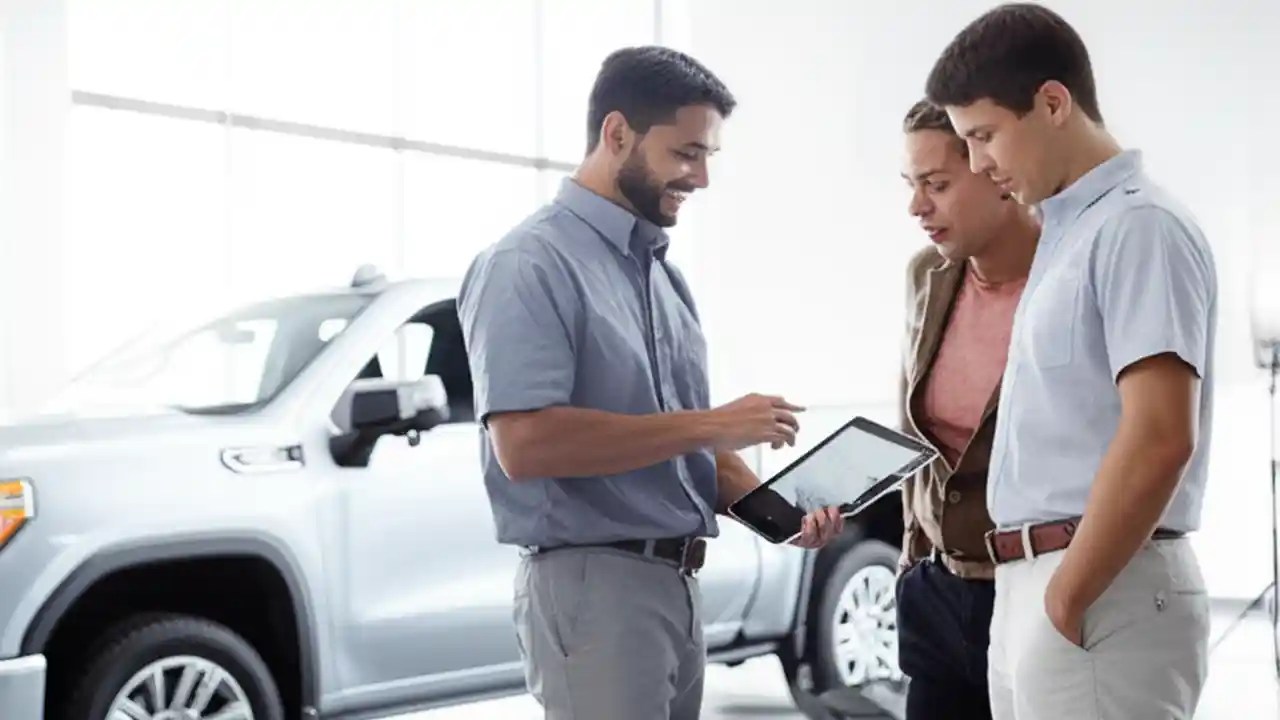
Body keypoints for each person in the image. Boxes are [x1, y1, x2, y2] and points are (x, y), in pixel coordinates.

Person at [457, 46, 844, 720]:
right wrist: (715, 423)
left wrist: (782, 518)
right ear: (617, 134)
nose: (701, 177)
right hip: (593, 589)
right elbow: (524, 444)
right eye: (686, 153)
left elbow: (685, 446)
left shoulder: (664, 276)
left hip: (676, 585)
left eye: (708, 156)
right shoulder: (527, 263)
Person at [925, 4, 1218, 719]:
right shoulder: (1067, 236)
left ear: (1053, 103)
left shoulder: (1138, 227)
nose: (977, 163)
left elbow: (1160, 436)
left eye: (984, 135)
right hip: (1034, 586)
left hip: (1097, 588)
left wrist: (1065, 599)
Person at [894, 98, 1039, 720]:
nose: (916, 206)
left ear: (996, 171)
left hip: (1035, 590)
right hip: (938, 592)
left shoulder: (1066, 274)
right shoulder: (928, 273)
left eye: (937, 184)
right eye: (910, 184)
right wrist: (911, 558)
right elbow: (912, 422)